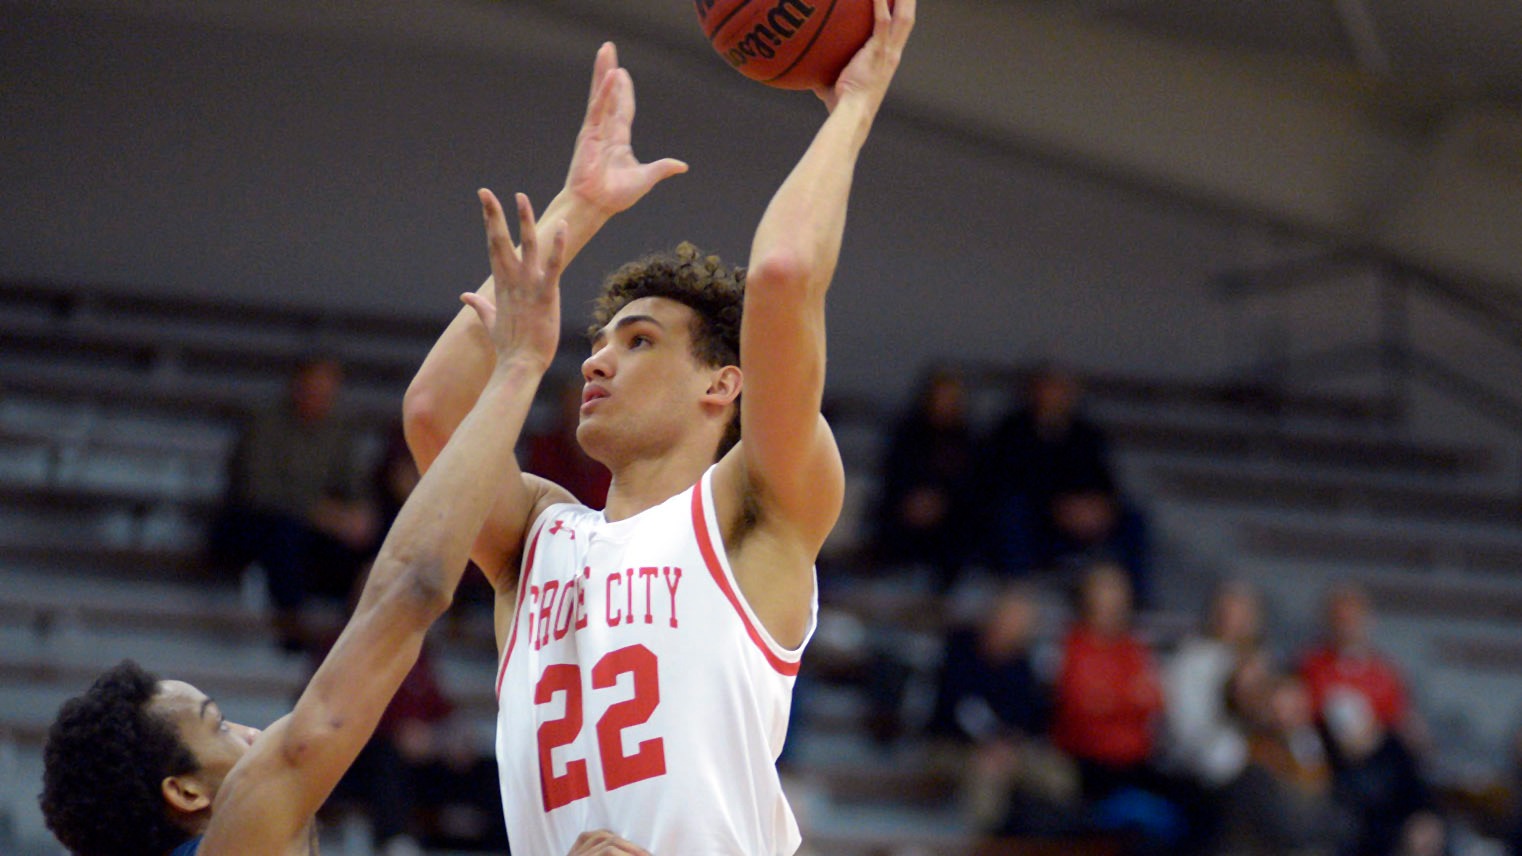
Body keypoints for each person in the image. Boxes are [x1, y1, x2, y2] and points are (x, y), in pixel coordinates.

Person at [402, 6, 916, 854]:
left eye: (638, 342)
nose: (596, 363)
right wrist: (579, 207)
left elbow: (784, 275)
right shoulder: (538, 534)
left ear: (724, 383)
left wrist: (854, 108)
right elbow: (434, 414)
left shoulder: (753, 509)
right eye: (598, 343)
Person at [39, 197, 649, 856]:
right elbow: (410, 589)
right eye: (217, 727)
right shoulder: (241, 838)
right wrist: (519, 366)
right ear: (186, 794)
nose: (254, 733)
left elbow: (427, 411)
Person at [208, 354, 381, 651]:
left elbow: (353, 484)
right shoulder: (265, 422)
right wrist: (318, 512)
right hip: (259, 522)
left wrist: (359, 514)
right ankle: (290, 627)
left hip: (315, 529)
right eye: (312, 389)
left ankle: (356, 632)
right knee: (283, 534)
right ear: (296, 386)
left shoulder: (337, 429)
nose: (318, 399)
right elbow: (256, 489)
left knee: (377, 535)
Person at [981, 362, 1153, 604]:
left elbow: (1103, 478)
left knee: (1133, 517)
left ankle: (1137, 599)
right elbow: (1003, 479)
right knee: (1011, 511)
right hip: (1037, 517)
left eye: (1060, 389)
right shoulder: (1011, 429)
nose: (1054, 395)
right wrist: (1058, 507)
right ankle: (1016, 595)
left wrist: (1099, 506)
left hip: (1081, 516)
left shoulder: (1086, 432)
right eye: (1047, 387)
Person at [871, 366, 979, 591]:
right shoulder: (908, 432)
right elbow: (893, 472)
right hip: (906, 507)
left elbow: (972, 481)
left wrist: (941, 501)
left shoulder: (967, 437)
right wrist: (914, 499)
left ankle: (945, 590)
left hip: (950, 512)